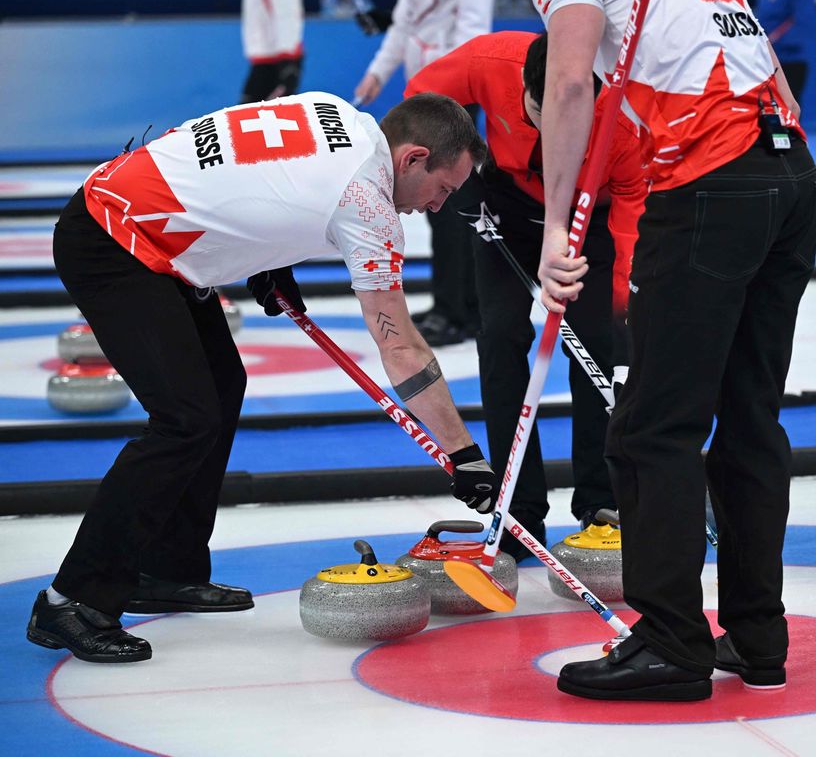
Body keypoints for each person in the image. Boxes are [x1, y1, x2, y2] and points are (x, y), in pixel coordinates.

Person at [26, 92, 500, 664]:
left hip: (144, 224)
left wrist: (266, 258)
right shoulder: (367, 203)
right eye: (443, 190)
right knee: (185, 419)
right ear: (412, 158)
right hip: (114, 242)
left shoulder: (337, 112)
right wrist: (463, 451)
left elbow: (246, 164)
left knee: (221, 391)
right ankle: (70, 598)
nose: (437, 206)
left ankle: (162, 567)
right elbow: (399, 346)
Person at [531, 0, 816, 701]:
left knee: (653, 427)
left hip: (707, 181)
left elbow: (568, 83)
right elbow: (776, 80)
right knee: (750, 418)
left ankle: (670, 640)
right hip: (790, 173)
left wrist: (555, 228)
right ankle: (757, 636)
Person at [404, 31, 650, 557]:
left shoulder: (625, 117)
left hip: (593, 219)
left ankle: (600, 503)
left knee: (597, 348)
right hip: (507, 209)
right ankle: (518, 510)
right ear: (525, 88)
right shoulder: (491, 60)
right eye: (540, 111)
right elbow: (421, 103)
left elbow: (631, 225)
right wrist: (464, 171)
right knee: (499, 338)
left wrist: (626, 311)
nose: (555, 128)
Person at [353, 0, 498, 347]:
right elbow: (405, 20)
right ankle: (453, 306)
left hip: (450, 95)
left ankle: (457, 311)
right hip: (426, 92)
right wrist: (378, 72)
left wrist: (448, 93)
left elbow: (473, 27)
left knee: (448, 205)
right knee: (438, 209)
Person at [754, 0, 816, 111]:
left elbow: (803, 25)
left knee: (787, 116)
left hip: (790, 62)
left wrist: (771, 43)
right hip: (764, 61)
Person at [240, 0, 305, 104]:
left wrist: (287, 59)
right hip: (267, 60)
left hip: (278, 62)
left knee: (257, 121)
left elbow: (287, 11)